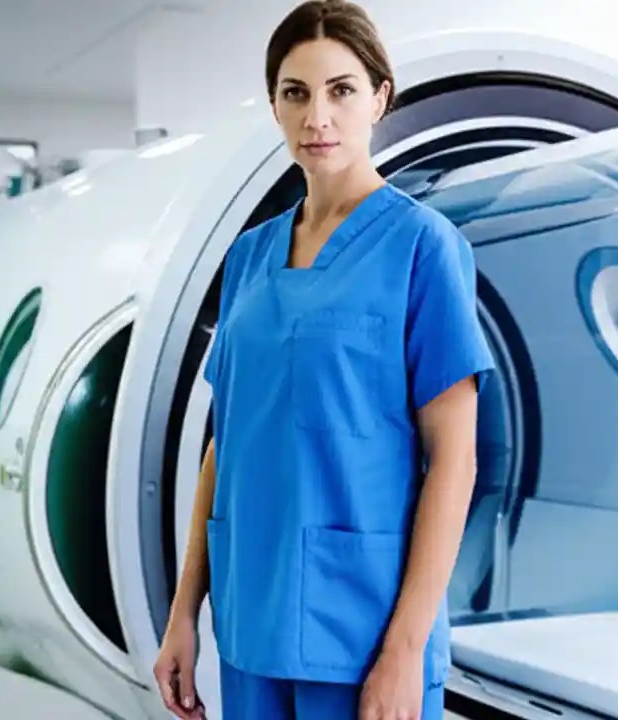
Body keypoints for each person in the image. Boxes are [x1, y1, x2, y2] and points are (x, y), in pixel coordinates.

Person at [152, 2, 496, 719]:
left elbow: (455, 461)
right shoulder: (249, 256)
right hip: (250, 623)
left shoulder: (422, 247)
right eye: (296, 93)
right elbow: (226, 442)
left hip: (364, 632)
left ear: (379, 97)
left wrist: (405, 650)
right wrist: (183, 611)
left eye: (341, 90)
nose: (317, 117)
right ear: (275, 105)